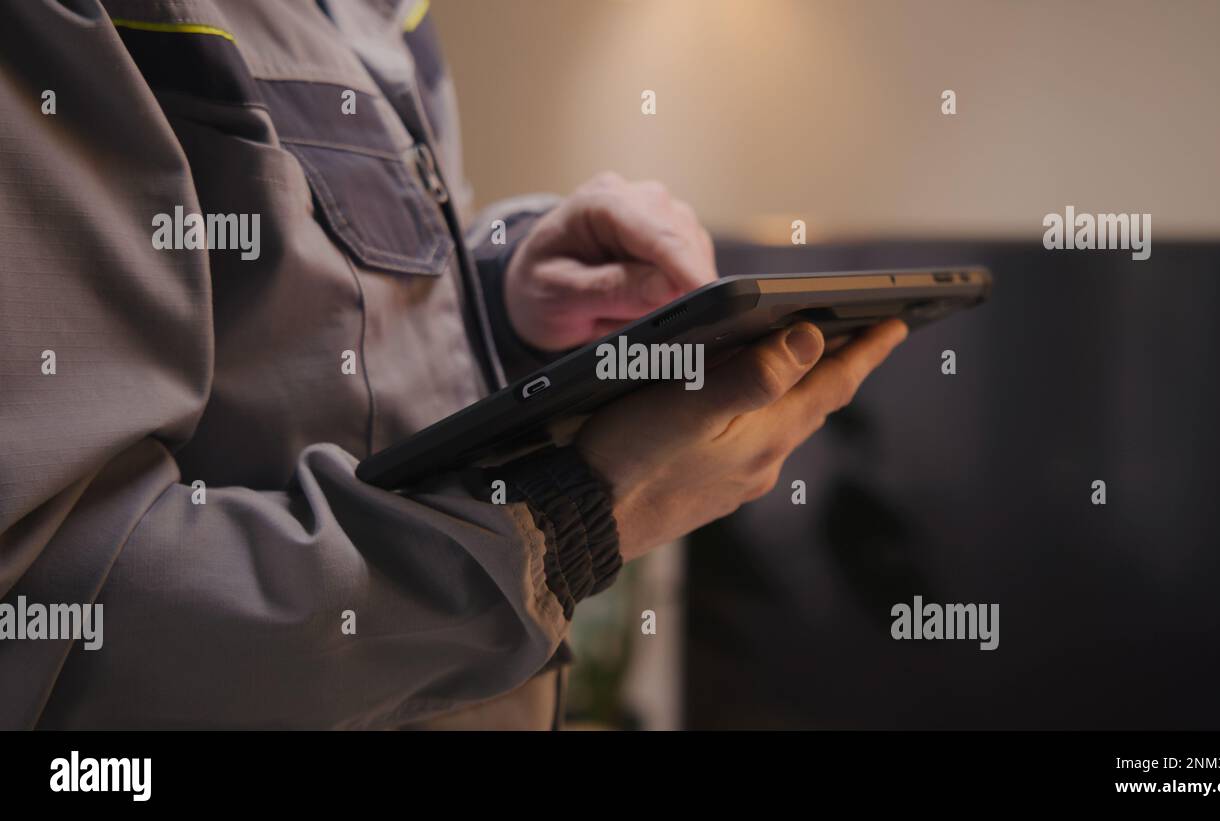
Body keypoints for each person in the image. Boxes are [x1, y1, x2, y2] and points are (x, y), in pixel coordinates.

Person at [0, 0, 906, 729]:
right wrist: (578, 513)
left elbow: (317, 348)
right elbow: (53, 629)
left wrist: (503, 295)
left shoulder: (389, 19)